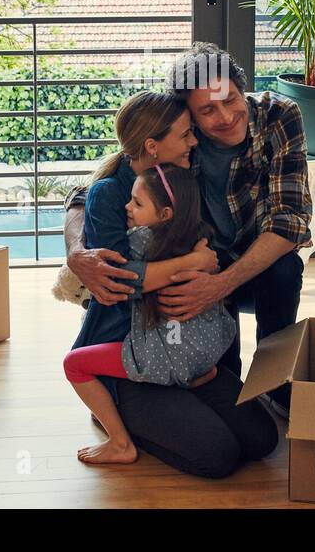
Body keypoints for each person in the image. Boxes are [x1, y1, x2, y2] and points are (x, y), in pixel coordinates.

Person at [66, 42, 311, 416]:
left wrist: (222, 283)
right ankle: (212, 382)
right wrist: (76, 252)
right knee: (223, 391)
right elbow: (93, 191)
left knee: (286, 268)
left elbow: (290, 219)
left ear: (241, 87)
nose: (227, 116)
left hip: (251, 265)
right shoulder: (177, 141)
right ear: (189, 118)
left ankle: (276, 384)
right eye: (208, 110)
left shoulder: (280, 117)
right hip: (196, 267)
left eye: (231, 99)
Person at [64, 88, 278, 478]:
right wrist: (193, 261)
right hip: (130, 356)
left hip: (183, 350)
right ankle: (119, 423)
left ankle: (182, 394)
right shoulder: (113, 194)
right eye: (185, 134)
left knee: (262, 440)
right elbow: (122, 280)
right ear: (152, 145)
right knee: (218, 456)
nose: (194, 140)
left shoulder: (179, 176)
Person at [63, 164, 237, 465]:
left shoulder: (137, 242)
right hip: (209, 351)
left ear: (165, 214)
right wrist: (195, 260)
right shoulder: (200, 237)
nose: (127, 208)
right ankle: (191, 380)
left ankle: (119, 443)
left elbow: (119, 274)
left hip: (164, 355)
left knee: (74, 364)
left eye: (137, 203)